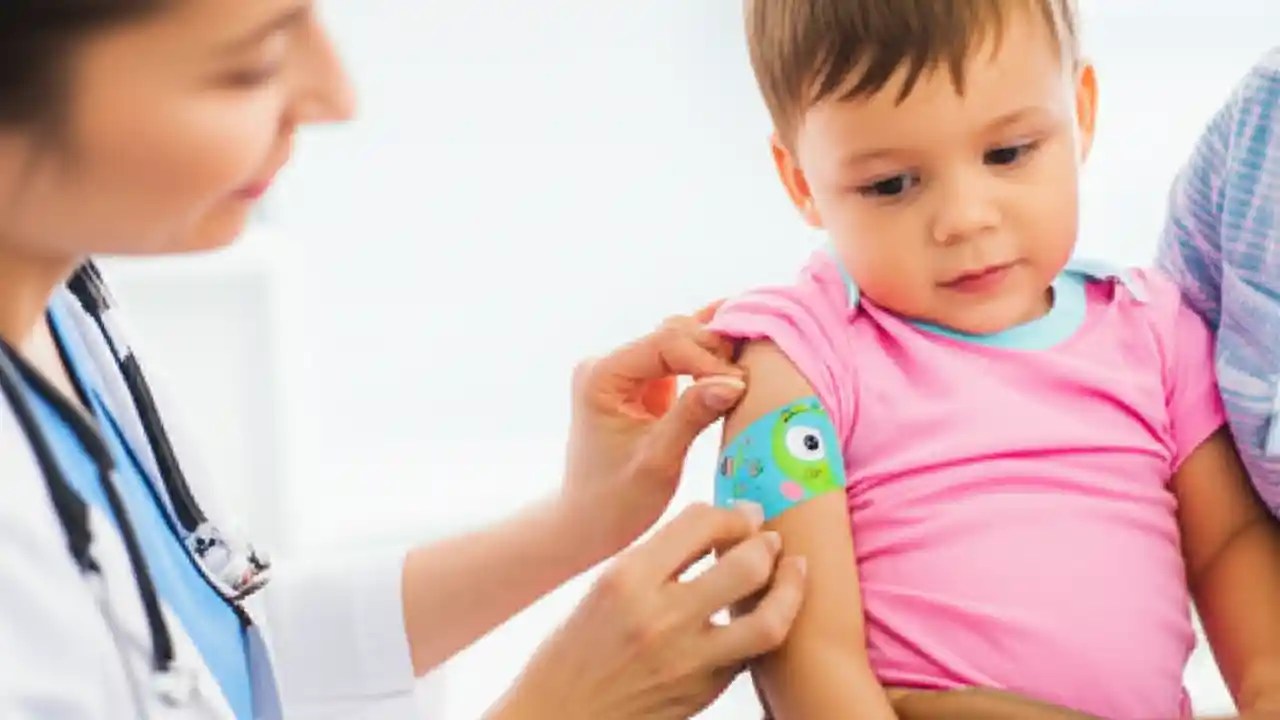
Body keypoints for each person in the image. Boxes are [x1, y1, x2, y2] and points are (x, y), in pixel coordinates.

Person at [0, 2, 807, 718]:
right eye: (252, 63)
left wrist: (578, 522)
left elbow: (221, 648)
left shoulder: (62, 303)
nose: (336, 97)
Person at [705, 1, 1280, 718]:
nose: (965, 218)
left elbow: (1229, 543)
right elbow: (796, 644)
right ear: (800, 182)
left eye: (1008, 154)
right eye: (890, 185)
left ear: (1081, 112)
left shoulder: (1155, 331)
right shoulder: (797, 360)